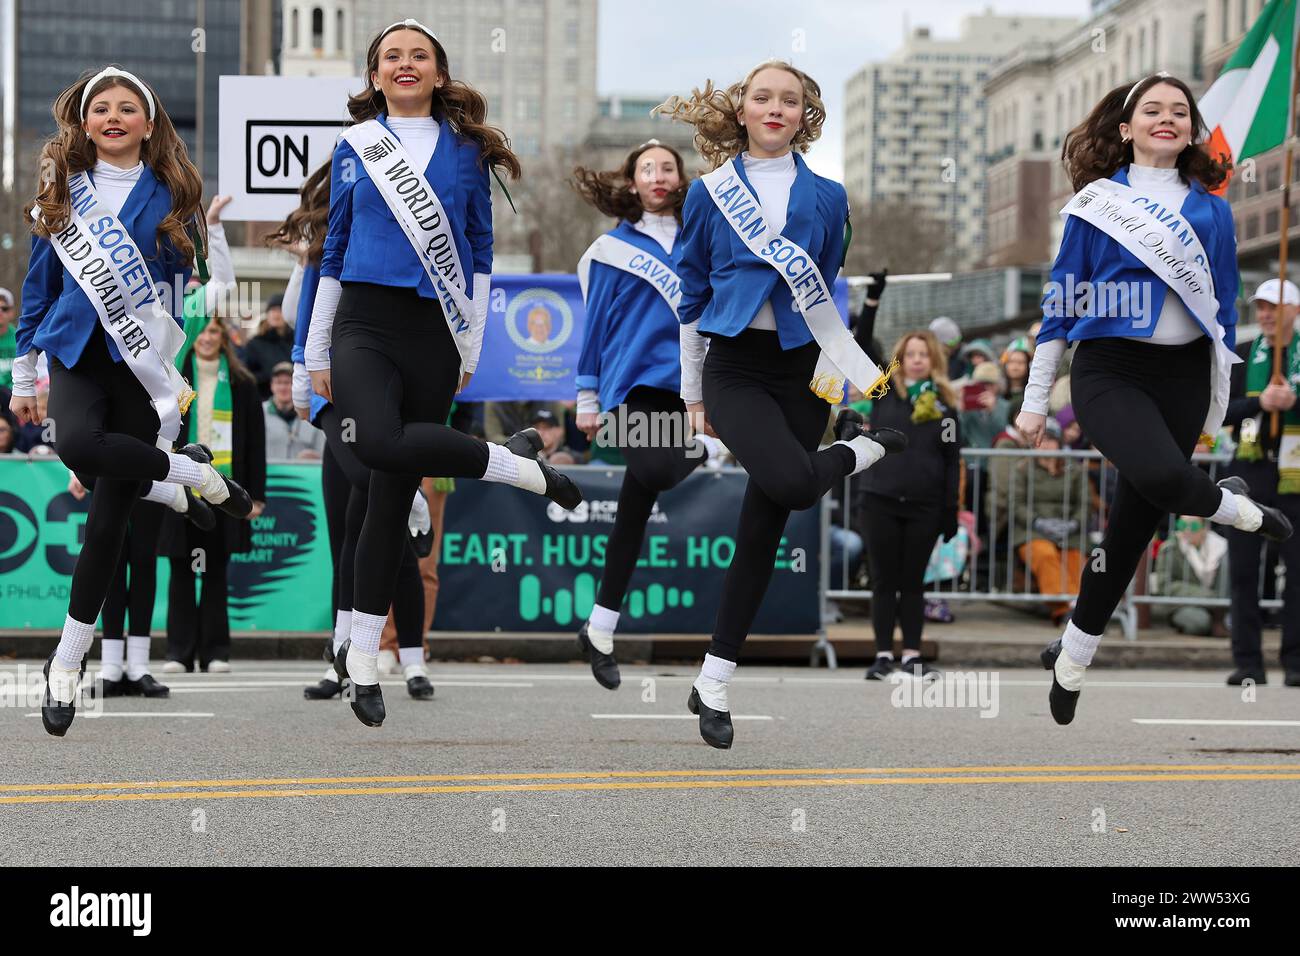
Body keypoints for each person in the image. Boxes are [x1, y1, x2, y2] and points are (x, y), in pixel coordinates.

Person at [305, 19, 582, 726]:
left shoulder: (465, 152)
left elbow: (482, 254)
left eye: (417, 55)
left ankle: (365, 659)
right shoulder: (355, 146)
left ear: (437, 71)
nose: (404, 64)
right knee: (375, 446)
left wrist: (469, 345)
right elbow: (333, 249)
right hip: (362, 322)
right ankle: (517, 464)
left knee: (392, 498)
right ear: (374, 75)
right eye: (391, 56)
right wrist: (314, 350)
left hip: (434, 327)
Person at [1021, 72, 1293, 726]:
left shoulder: (1212, 208)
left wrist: (1217, 401)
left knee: (1127, 534)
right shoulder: (1096, 203)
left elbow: (1224, 315)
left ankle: (1075, 655)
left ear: (1191, 130)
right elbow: (1061, 304)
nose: (1165, 119)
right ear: (1127, 126)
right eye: (1152, 110)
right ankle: (1239, 510)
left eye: (1178, 111)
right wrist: (1034, 401)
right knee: (1165, 475)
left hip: (1182, 378)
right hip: (1110, 369)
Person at [659, 59, 905, 747]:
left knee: (763, 533)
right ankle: (864, 450)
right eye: (762, 97)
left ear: (805, 116)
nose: (775, 107)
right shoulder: (707, 194)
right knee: (797, 484)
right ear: (741, 111)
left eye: (790, 100)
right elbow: (690, 293)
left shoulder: (830, 196)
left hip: (802, 370)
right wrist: (691, 391)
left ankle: (713, 680)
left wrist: (835, 385)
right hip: (734, 367)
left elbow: (827, 294)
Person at [11, 66, 253, 736]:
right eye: (100, 108)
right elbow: (40, 285)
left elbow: (198, 286)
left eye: (126, 108)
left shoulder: (172, 194)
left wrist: (167, 370)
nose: (112, 117)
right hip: (75, 353)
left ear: (148, 124)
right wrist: (23, 373)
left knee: (108, 525)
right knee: (83, 450)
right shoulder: (64, 189)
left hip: (140, 366)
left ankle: (66, 665)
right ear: (84, 122)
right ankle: (194, 477)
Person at [273, 158, 435, 702]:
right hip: (333, 387)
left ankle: (412, 660)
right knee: (354, 521)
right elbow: (301, 310)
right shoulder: (332, 238)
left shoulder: (410, 238)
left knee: (383, 531)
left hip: (386, 383)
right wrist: (303, 263)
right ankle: (340, 658)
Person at [569, 138, 705, 688]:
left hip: (689, 386)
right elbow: (595, 324)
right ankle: (714, 448)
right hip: (629, 386)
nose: (657, 175)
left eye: (667, 167)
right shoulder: (610, 249)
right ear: (631, 182)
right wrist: (586, 396)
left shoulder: (703, 241)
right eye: (646, 168)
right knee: (653, 470)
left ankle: (600, 627)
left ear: (679, 180)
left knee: (635, 507)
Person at [162, 310, 266, 673]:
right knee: (181, 571)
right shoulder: (174, 381)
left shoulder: (243, 384)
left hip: (225, 490)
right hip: (181, 487)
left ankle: (215, 652)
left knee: (216, 572)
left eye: (213, 332)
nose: (206, 338)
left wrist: (255, 495)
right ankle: (178, 652)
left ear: (224, 337)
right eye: (202, 331)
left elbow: (255, 444)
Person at [860, 331, 961, 680]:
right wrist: (871, 303)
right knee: (884, 580)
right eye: (910, 354)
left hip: (925, 505)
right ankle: (883, 655)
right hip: (880, 500)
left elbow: (951, 461)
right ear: (899, 360)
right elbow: (860, 343)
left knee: (913, 581)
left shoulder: (946, 406)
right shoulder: (883, 391)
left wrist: (951, 510)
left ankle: (913, 655)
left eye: (924, 354)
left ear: (934, 360)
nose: (917, 360)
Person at [1221, 278, 1300, 685]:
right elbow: (1221, 411)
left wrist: (1294, 402)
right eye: (1262, 307)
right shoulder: (1244, 355)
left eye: (1274, 307)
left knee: (1298, 574)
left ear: (1295, 311)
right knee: (1244, 572)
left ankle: (1296, 663)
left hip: (1296, 475)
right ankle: (1249, 663)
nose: (1266, 315)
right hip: (1249, 473)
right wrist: (1259, 403)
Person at [1009, 417, 1088, 627]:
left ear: (1059, 443)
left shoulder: (1074, 470)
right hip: (1032, 530)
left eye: (1050, 440)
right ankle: (1067, 608)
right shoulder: (1023, 469)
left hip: (1068, 531)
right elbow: (1016, 504)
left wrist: (1073, 523)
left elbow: (1085, 503)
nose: (1045, 444)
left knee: (1076, 560)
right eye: (1041, 440)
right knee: (1045, 555)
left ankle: (1079, 610)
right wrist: (1038, 522)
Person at [1151, 514, 1229, 636]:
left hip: (1218, 605)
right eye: (1181, 525)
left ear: (1204, 528)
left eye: (1193, 526)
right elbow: (1164, 584)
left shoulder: (1221, 546)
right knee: (1200, 623)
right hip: (1183, 604)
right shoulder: (1169, 548)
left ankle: (1220, 620)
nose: (1186, 530)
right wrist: (1206, 596)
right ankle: (1216, 624)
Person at [263, 361, 325, 459]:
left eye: (288, 383)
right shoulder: (259, 413)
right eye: (278, 382)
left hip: (303, 473)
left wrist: (315, 458)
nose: (283, 387)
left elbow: (322, 453)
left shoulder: (313, 414)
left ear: (297, 385)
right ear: (271, 386)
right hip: (270, 473)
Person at [243, 293, 293, 399]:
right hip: (263, 401)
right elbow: (245, 375)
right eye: (272, 310)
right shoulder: (255, 344)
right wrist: (270, 374)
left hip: (296, 403)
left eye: (280, 309)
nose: (276, 314)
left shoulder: (297, 342)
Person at [0, 288, 17, 391]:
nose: (0, 312)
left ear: (12, 312)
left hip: (13, 395)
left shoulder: (20, 338)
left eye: (4, 309)